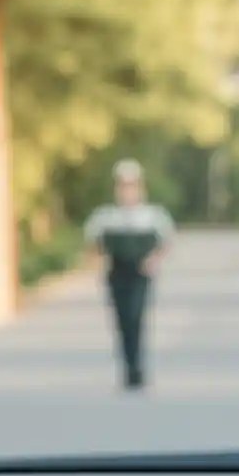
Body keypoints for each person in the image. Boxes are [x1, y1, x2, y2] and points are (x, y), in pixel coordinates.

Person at [83, 159, 175, 390]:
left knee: (136, 317)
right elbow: (93, 244)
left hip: (140, 273)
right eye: (123, 186)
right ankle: (128, 367)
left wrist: (153, 260)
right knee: (122, 320)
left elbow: (166, 242)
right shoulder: (106, 217)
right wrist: (98, 262)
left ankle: (137, 368)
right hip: (117, 272)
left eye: (132, 186)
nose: (128, 191)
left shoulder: (153, 216)